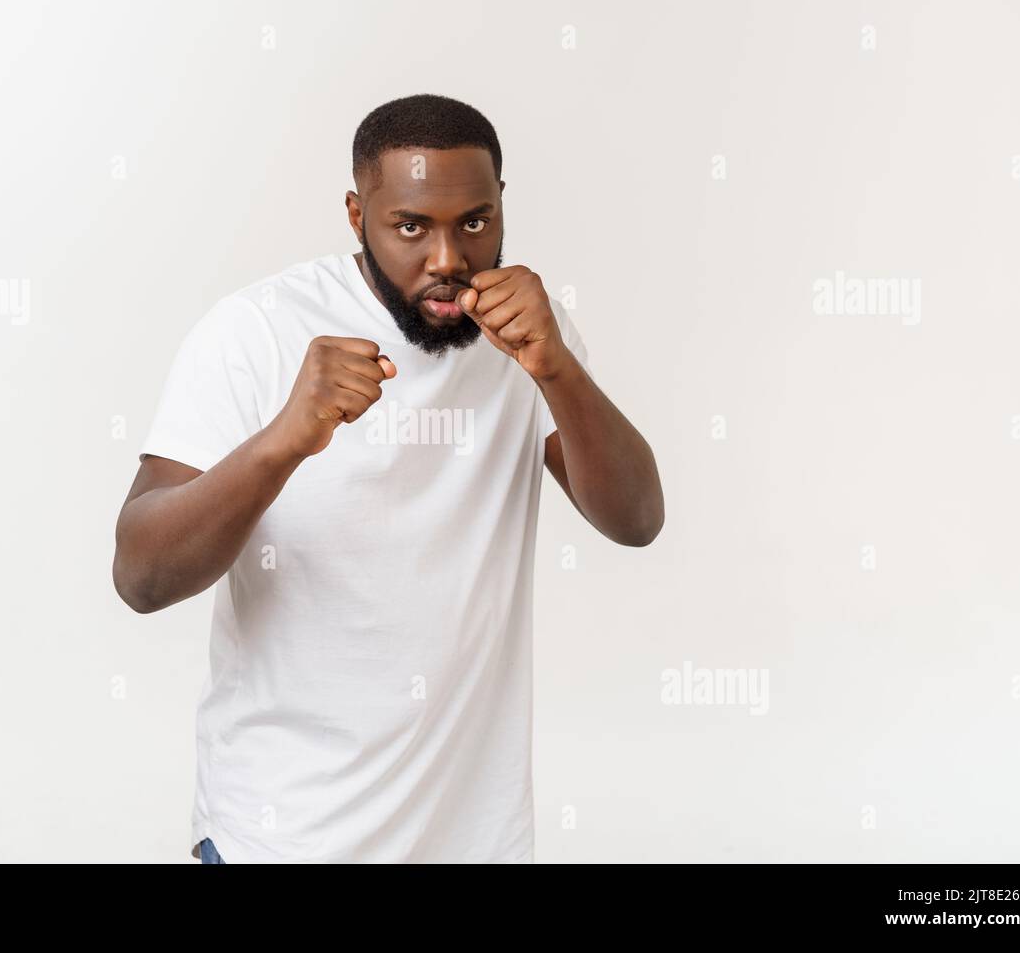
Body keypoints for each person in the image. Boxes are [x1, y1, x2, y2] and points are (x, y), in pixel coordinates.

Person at [113, 93, 664, 863]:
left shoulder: (528, 333)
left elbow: (636, 519)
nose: (447, 259)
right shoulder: (256, 331)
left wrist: (557, 369)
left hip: (475, 841)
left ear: (502, 206)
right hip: (283, 838)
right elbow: (141, 576)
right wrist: (282, 443)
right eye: (410, 227)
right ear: (355, 215)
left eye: (474, 222)